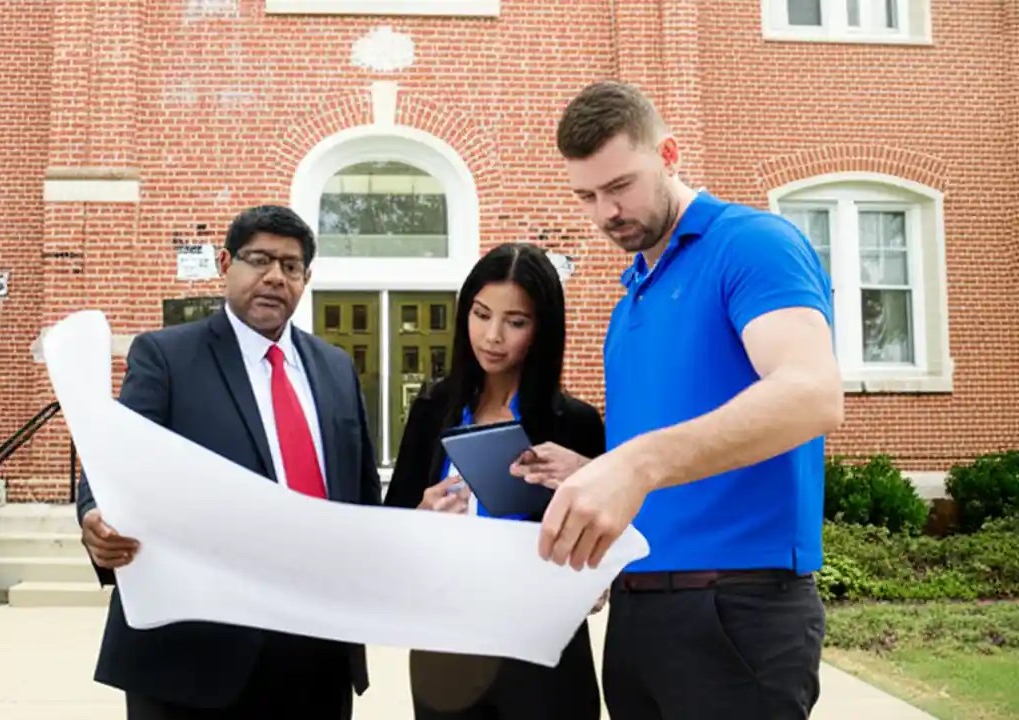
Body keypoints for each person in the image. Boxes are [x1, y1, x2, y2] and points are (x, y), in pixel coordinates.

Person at [512, 80, 843, 719]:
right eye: (586, 196)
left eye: (620, 186)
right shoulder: (629, 297)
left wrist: (634, 465)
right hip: (637, 612)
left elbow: (813, 392)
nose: (606, 212)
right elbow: (670, 461)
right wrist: (596, 473)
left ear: (668, 155)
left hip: (737, 610)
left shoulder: (753, 243)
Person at [75, 205, 383, 719]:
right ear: (225, 264)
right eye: (259, 260)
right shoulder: (167, 357)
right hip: (195, 657)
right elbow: (114, 459)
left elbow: (361, 492)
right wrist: (95, 514)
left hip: (317, 649)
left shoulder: (335, 367)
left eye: (290, 266)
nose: (275, 277)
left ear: (306, 279)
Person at [383, 242, 607, 720]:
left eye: (516, 322)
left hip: (542, 651)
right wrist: (422, 516)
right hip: (448, 647)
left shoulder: (575, 424)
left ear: (542, 329)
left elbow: (606, 540)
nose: (492, 336)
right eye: (481, 314)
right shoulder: (432, 410)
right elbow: (392, 528)